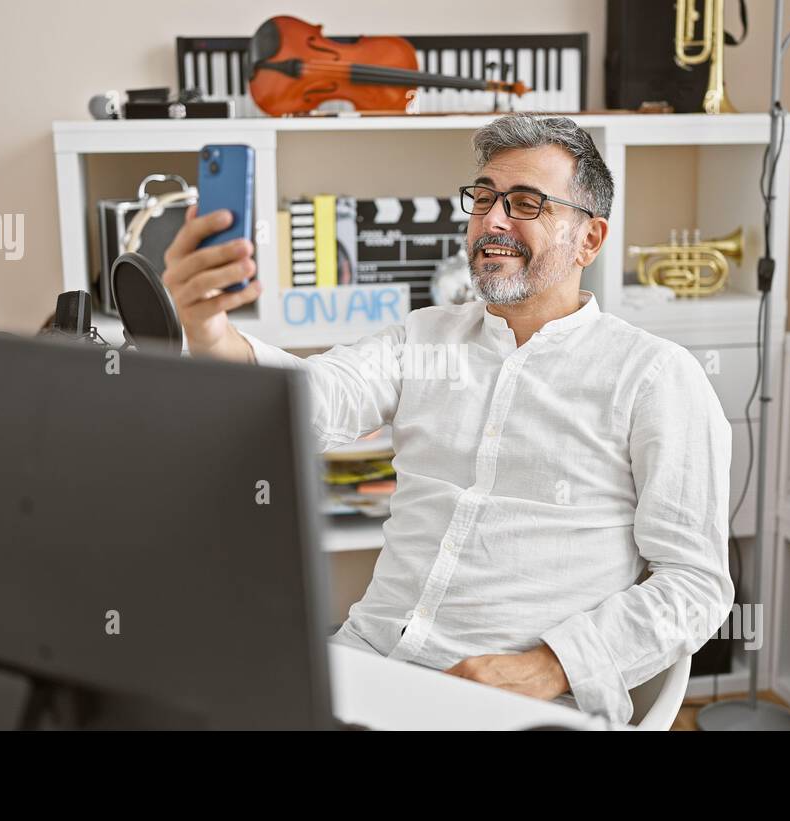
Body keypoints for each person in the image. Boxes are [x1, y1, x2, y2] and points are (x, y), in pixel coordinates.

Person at [160, 113, 734, 725]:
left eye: (525, 203)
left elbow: (696, 586)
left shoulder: (655, 376)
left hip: (531, 702)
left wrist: (549, 665)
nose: (492, 220)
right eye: (483, 198)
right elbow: (306, 400)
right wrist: (209, 330)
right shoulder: (424, 337)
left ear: (589, 240)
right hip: (366, 663)